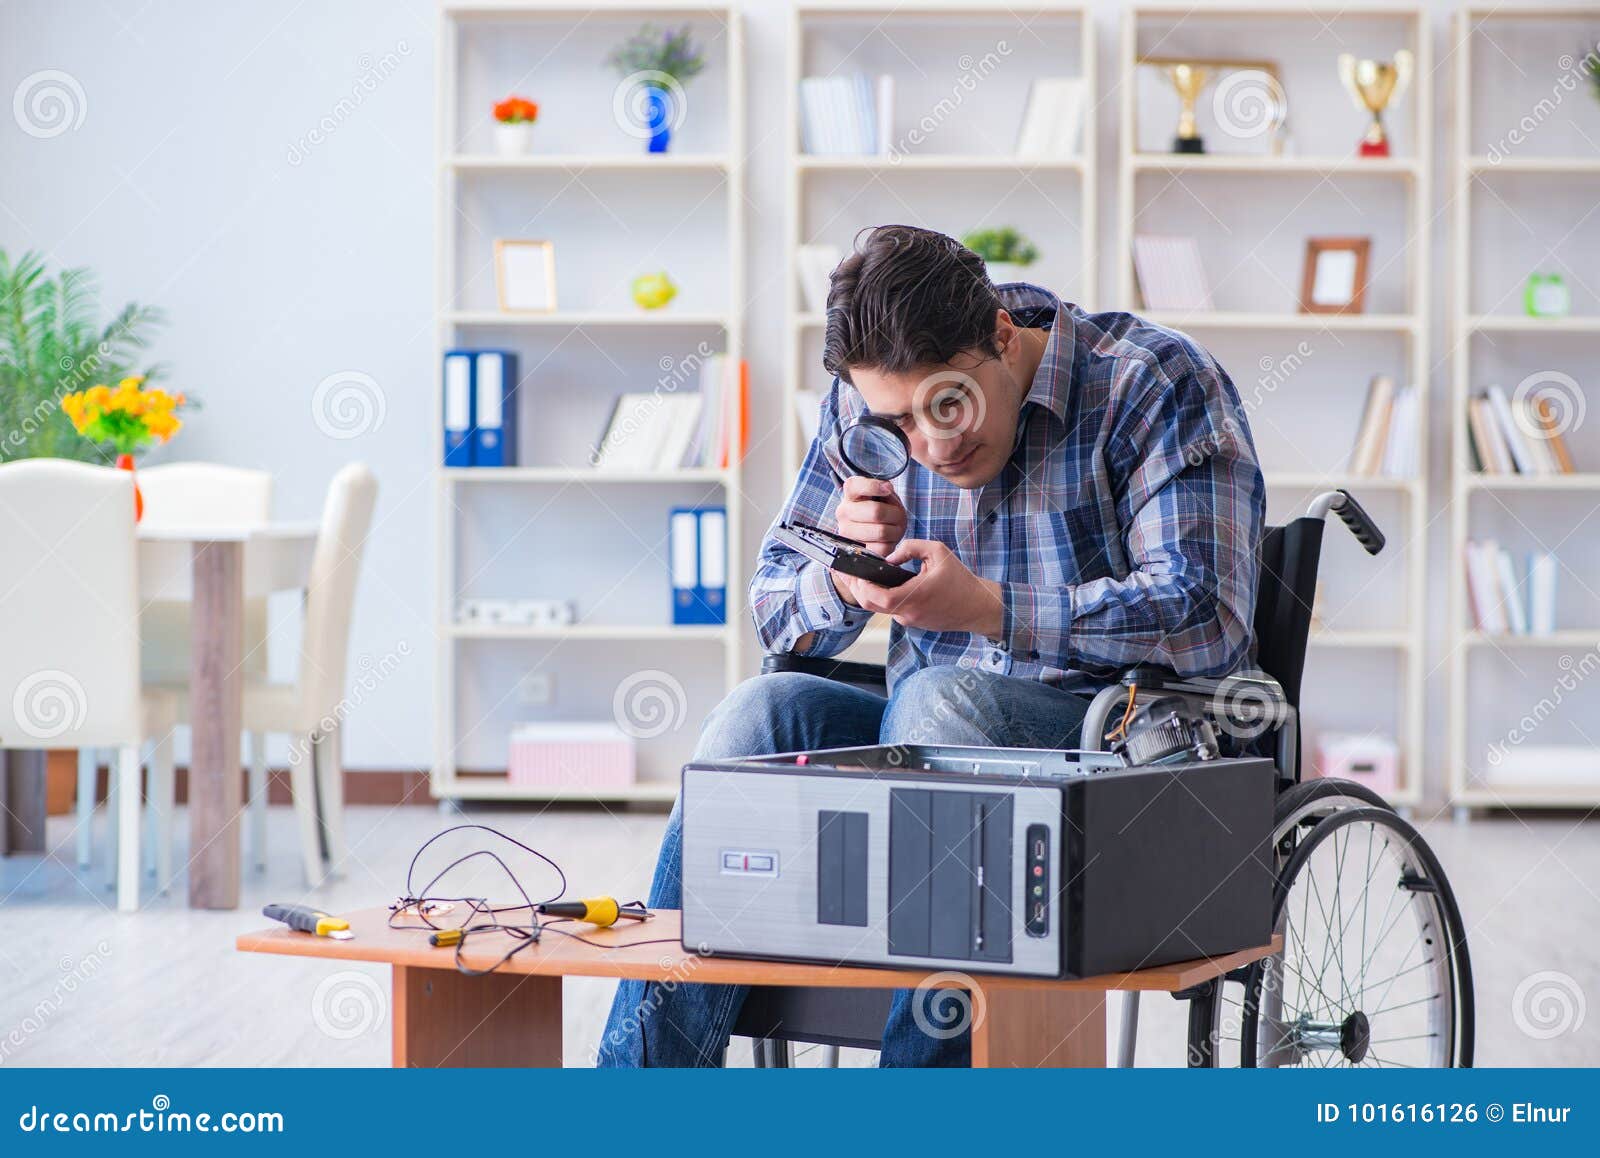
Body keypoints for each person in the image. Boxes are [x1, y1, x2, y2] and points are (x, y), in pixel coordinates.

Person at [598, 223, 1265, 1067]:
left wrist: (991, 608)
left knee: (935, 701)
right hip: (925, 758)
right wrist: (844, 576)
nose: (929, 446)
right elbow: (771, 606)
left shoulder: (1153, 381)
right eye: (896, 423)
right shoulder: (865, 409)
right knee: (759, 716)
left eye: (947, 404)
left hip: (1118, 752)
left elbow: (1209, 617)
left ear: (997, 332)